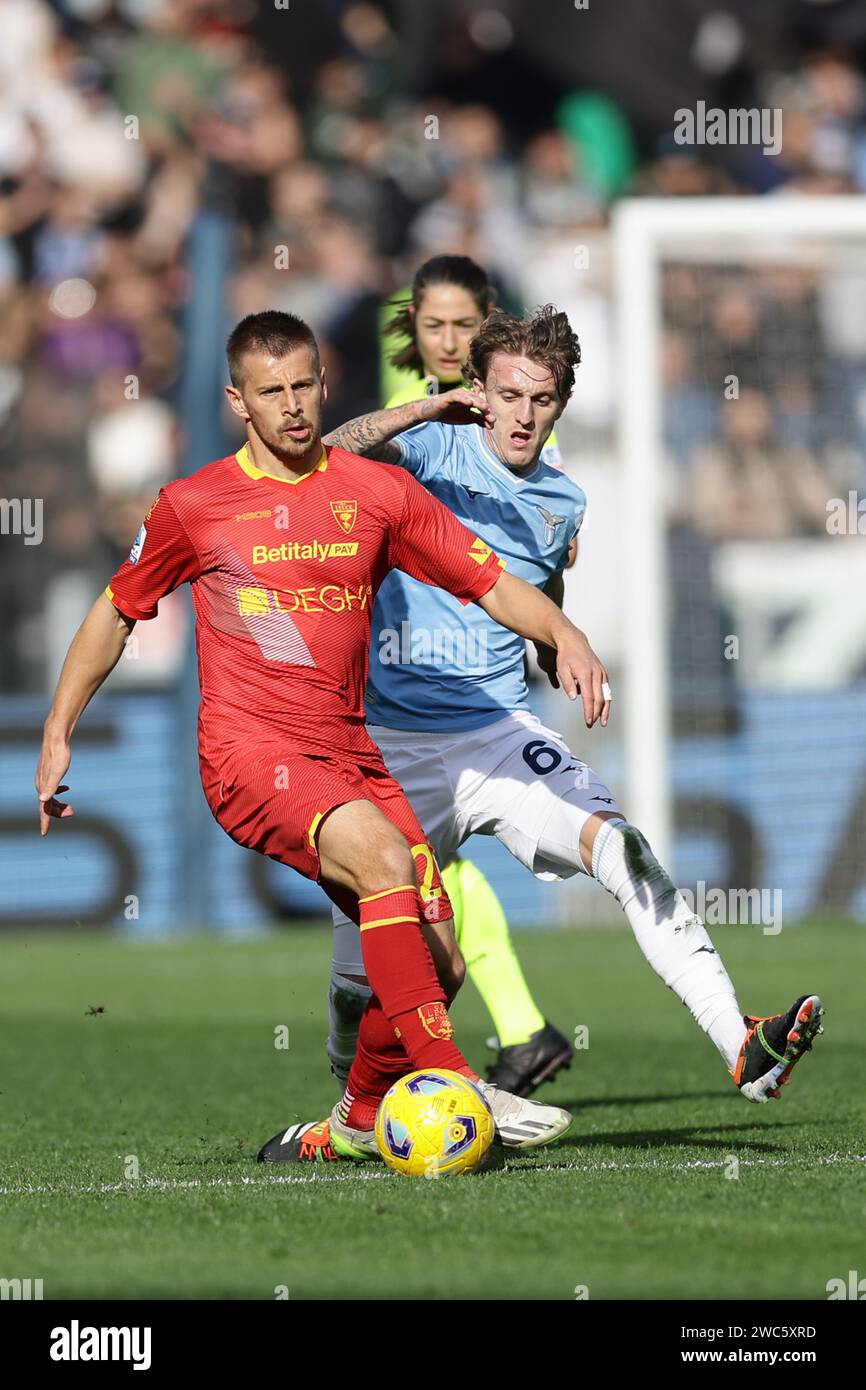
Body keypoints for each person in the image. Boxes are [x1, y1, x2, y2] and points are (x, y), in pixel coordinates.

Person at [35, 309, 620, 1159]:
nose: (294, 406)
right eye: (271, 392)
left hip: (350, 753)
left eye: (305, 384)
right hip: (250, 755)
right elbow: (116, 612)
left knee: (442, 963)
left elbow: (487, 581)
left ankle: (347, 1124)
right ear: (239, 401)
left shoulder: (373, 492)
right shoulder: (195, 506)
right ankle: (459, 1086)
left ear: (323, 379)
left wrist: (564, 633)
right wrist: (59, 730)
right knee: (384, 862)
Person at [259, 304, 823, 1165]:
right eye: (509, 394)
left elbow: (540, 594)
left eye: (543, 398)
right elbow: (308, 458)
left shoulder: (564, 501)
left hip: (495, 734)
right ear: (478, 390)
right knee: (359, 994)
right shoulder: (423, 447)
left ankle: (740, 1046)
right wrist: (418, 408)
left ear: (560, 403)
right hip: (387, 745)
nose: (523, 415)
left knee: (623, 849)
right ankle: (352, 1099)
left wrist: (557, 641)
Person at [371, 253, 571, 1095]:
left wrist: (552, 636)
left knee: (418, 865)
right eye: (433, 326)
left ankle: (468, 1043)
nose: (449, 341)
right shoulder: (403, 419)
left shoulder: (512, 422)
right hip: (388, 659)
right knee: (427, 866)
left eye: (463, 325)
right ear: (410, 331)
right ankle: (516, 1032)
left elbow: (529, 550)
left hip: (458, 686)